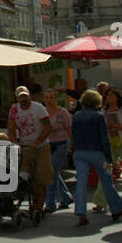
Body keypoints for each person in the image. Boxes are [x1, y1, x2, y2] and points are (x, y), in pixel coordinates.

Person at [72, 89, 122, 226]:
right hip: (97, 153)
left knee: (81, 182)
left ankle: (80, 211)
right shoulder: (99, 116)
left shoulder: (76, 115)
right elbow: (104, 139)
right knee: (106, 180)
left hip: (79, 153)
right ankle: (117, 208)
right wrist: (109, 158)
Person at [7, 86, 51, 216]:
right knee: (24, 177)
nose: (24, 99)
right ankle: (34, 203)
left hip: (41, 147)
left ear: (29, 96)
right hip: (24, 147)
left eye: (26, 96)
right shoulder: (14, 109)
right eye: (21, 97)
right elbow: (11, 127)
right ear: (17, 98)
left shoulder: (39, 108)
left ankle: (39, 207)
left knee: (40, 178)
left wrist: (36, 143)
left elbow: (48, 127)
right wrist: (14, 142)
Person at [92, 87, 122, 211]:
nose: (109, 98)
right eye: (107, 96)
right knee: (105, 172)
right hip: (109, 144)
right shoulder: (103, 111)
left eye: (111, 95)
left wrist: (115, 125)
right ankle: (100, 201)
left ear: (117, 96)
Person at [43, 88, 73, 212]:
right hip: (47, 145)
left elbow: (69, 129)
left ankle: (50, 202)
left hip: (60, 144)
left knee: (51, 172)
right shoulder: (42, 112)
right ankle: (66, 197)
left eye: (51, 98)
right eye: (46, 98)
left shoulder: (62, 113)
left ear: (56, 99)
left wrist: (72, 145)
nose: (48, 100)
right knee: (54, 173)